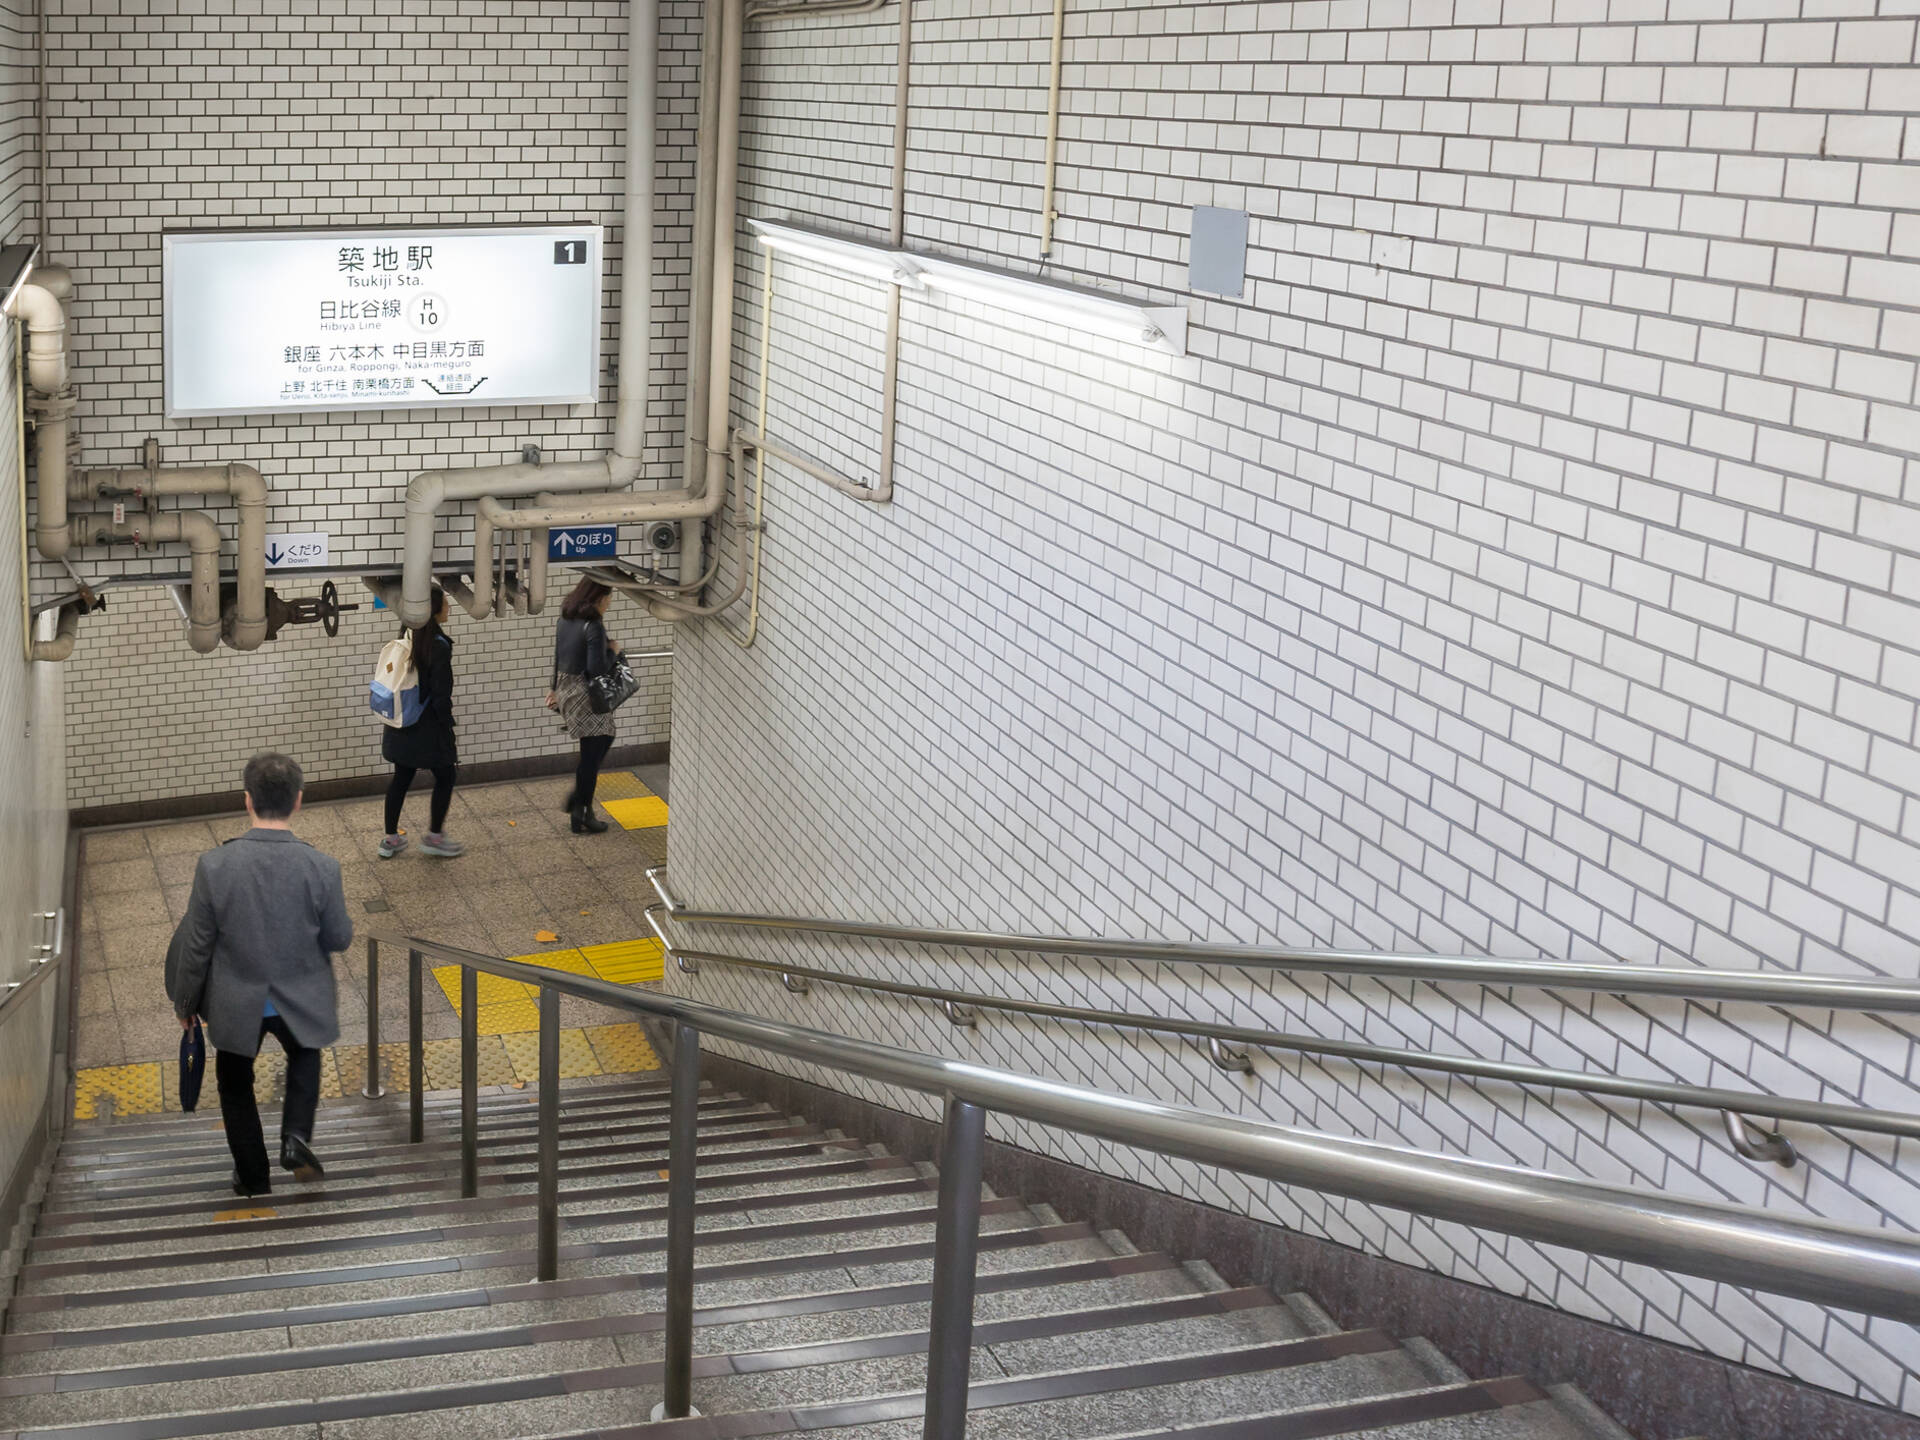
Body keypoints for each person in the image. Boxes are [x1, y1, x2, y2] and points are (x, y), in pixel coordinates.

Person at [170, 753, 353, 1197]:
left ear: (247, 801)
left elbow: (197, 943)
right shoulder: (322, 867)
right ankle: (294, 1136)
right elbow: (340, 937)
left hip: (238, 1001)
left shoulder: (214, 866)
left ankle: (252, 1176)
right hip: (300, 996)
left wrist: (186, 1003)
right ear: (299, 802)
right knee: (305, 1056)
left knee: (235, 1083)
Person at [379, 583, 463, 859]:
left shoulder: (407, 634)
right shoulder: (438, 646)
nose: (448, 608)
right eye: (445, 604)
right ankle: (434, 837)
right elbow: (441, 694)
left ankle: (390, 839)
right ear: (434, 610)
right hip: (428, 728)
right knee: (446, 775)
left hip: (403, 721)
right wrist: (447, 726)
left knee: (401, 777)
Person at [548, 577, 623, 834]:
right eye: (608, 597)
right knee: (593, 752)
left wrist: (554, 690)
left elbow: (557, 657)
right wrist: (613, 651)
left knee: (599, 743)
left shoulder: (565, 620)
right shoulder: (593, 625)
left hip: (567, 688)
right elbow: (596, 669)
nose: (609, 603)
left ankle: (579, 802)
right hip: (585, 694)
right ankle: (581, 811)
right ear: (598, 598)